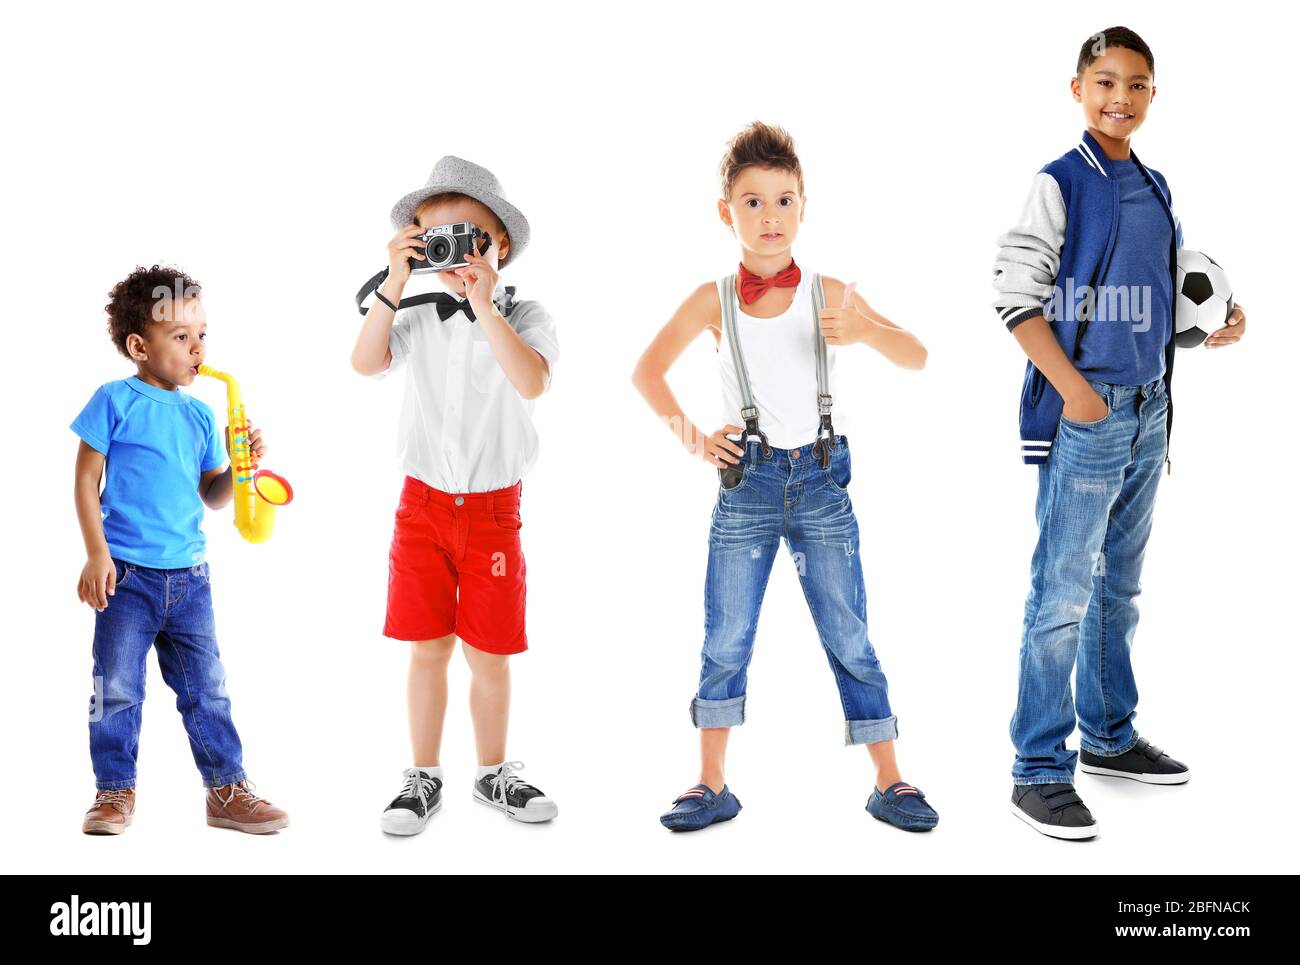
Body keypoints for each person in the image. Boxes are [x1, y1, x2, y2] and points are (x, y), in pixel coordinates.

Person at [632, 122, 938, 832]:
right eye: (752, 203)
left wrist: (865, 331)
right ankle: (711, 782)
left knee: (849, 628)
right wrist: (695, 439)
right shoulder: (714, 299)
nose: (769, 218)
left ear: (804, 206)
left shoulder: (829, 292)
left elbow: (918, 355)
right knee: (727, 632)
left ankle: (890, 779)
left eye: (783, 201)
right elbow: (646, 371)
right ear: (726, 212)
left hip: (823, 483)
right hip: (750, 485)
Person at [993, 26, 1249, 840]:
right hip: (1090, 414)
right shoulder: (1060, 181)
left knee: (1119, 590)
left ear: (1152, 95)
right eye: (1104, 82)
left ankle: (1108, 735)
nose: (1120, 98)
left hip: (1148, 410)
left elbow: (1140, 309)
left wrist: (1201, 331)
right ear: (1077, 89)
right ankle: (1037, 767)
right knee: (1060, 594)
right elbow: (1015, 299)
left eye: (1136, 85)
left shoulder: (1156, 184)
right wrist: (1075, 394)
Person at [351, 156, 561, 834]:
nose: (453, 251)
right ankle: (423, 774)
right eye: (435, 238)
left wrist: (481, 301)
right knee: (427, 645)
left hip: (496, 510)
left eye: (468, 235)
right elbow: (364, 362)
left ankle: (494, 771)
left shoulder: (525, 314)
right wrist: (395, 279)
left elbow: (531, 381)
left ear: (499, 245)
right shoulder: (412, 313)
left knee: (490, 650)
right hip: (423, 506)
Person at [72, 264, 289, 835]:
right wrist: (96, 554)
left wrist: (242, 470)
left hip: (189, 579)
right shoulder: (113, 400)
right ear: (139, 346)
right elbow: (83, 482)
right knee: (115, 689)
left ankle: (226, 791)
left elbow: (214, 496)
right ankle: (113, 792)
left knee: (208, 690)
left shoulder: (200, 413)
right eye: (181, 337)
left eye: (202, 336)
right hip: (125, 576)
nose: (198, 349)